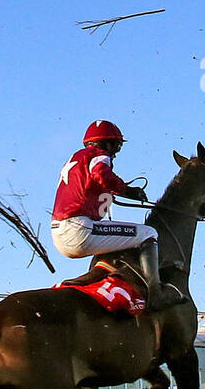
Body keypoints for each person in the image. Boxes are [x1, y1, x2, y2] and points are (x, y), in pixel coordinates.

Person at [50, 120, 184, 311]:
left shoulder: (77, 158)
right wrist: (127, 190)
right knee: (148, 233)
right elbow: (102, 176)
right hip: (79, 229)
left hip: (60, 232)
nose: (116, 152)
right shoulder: (99, 155)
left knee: (115, 239)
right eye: (117, 146)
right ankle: (156, 294)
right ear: (108, 143)